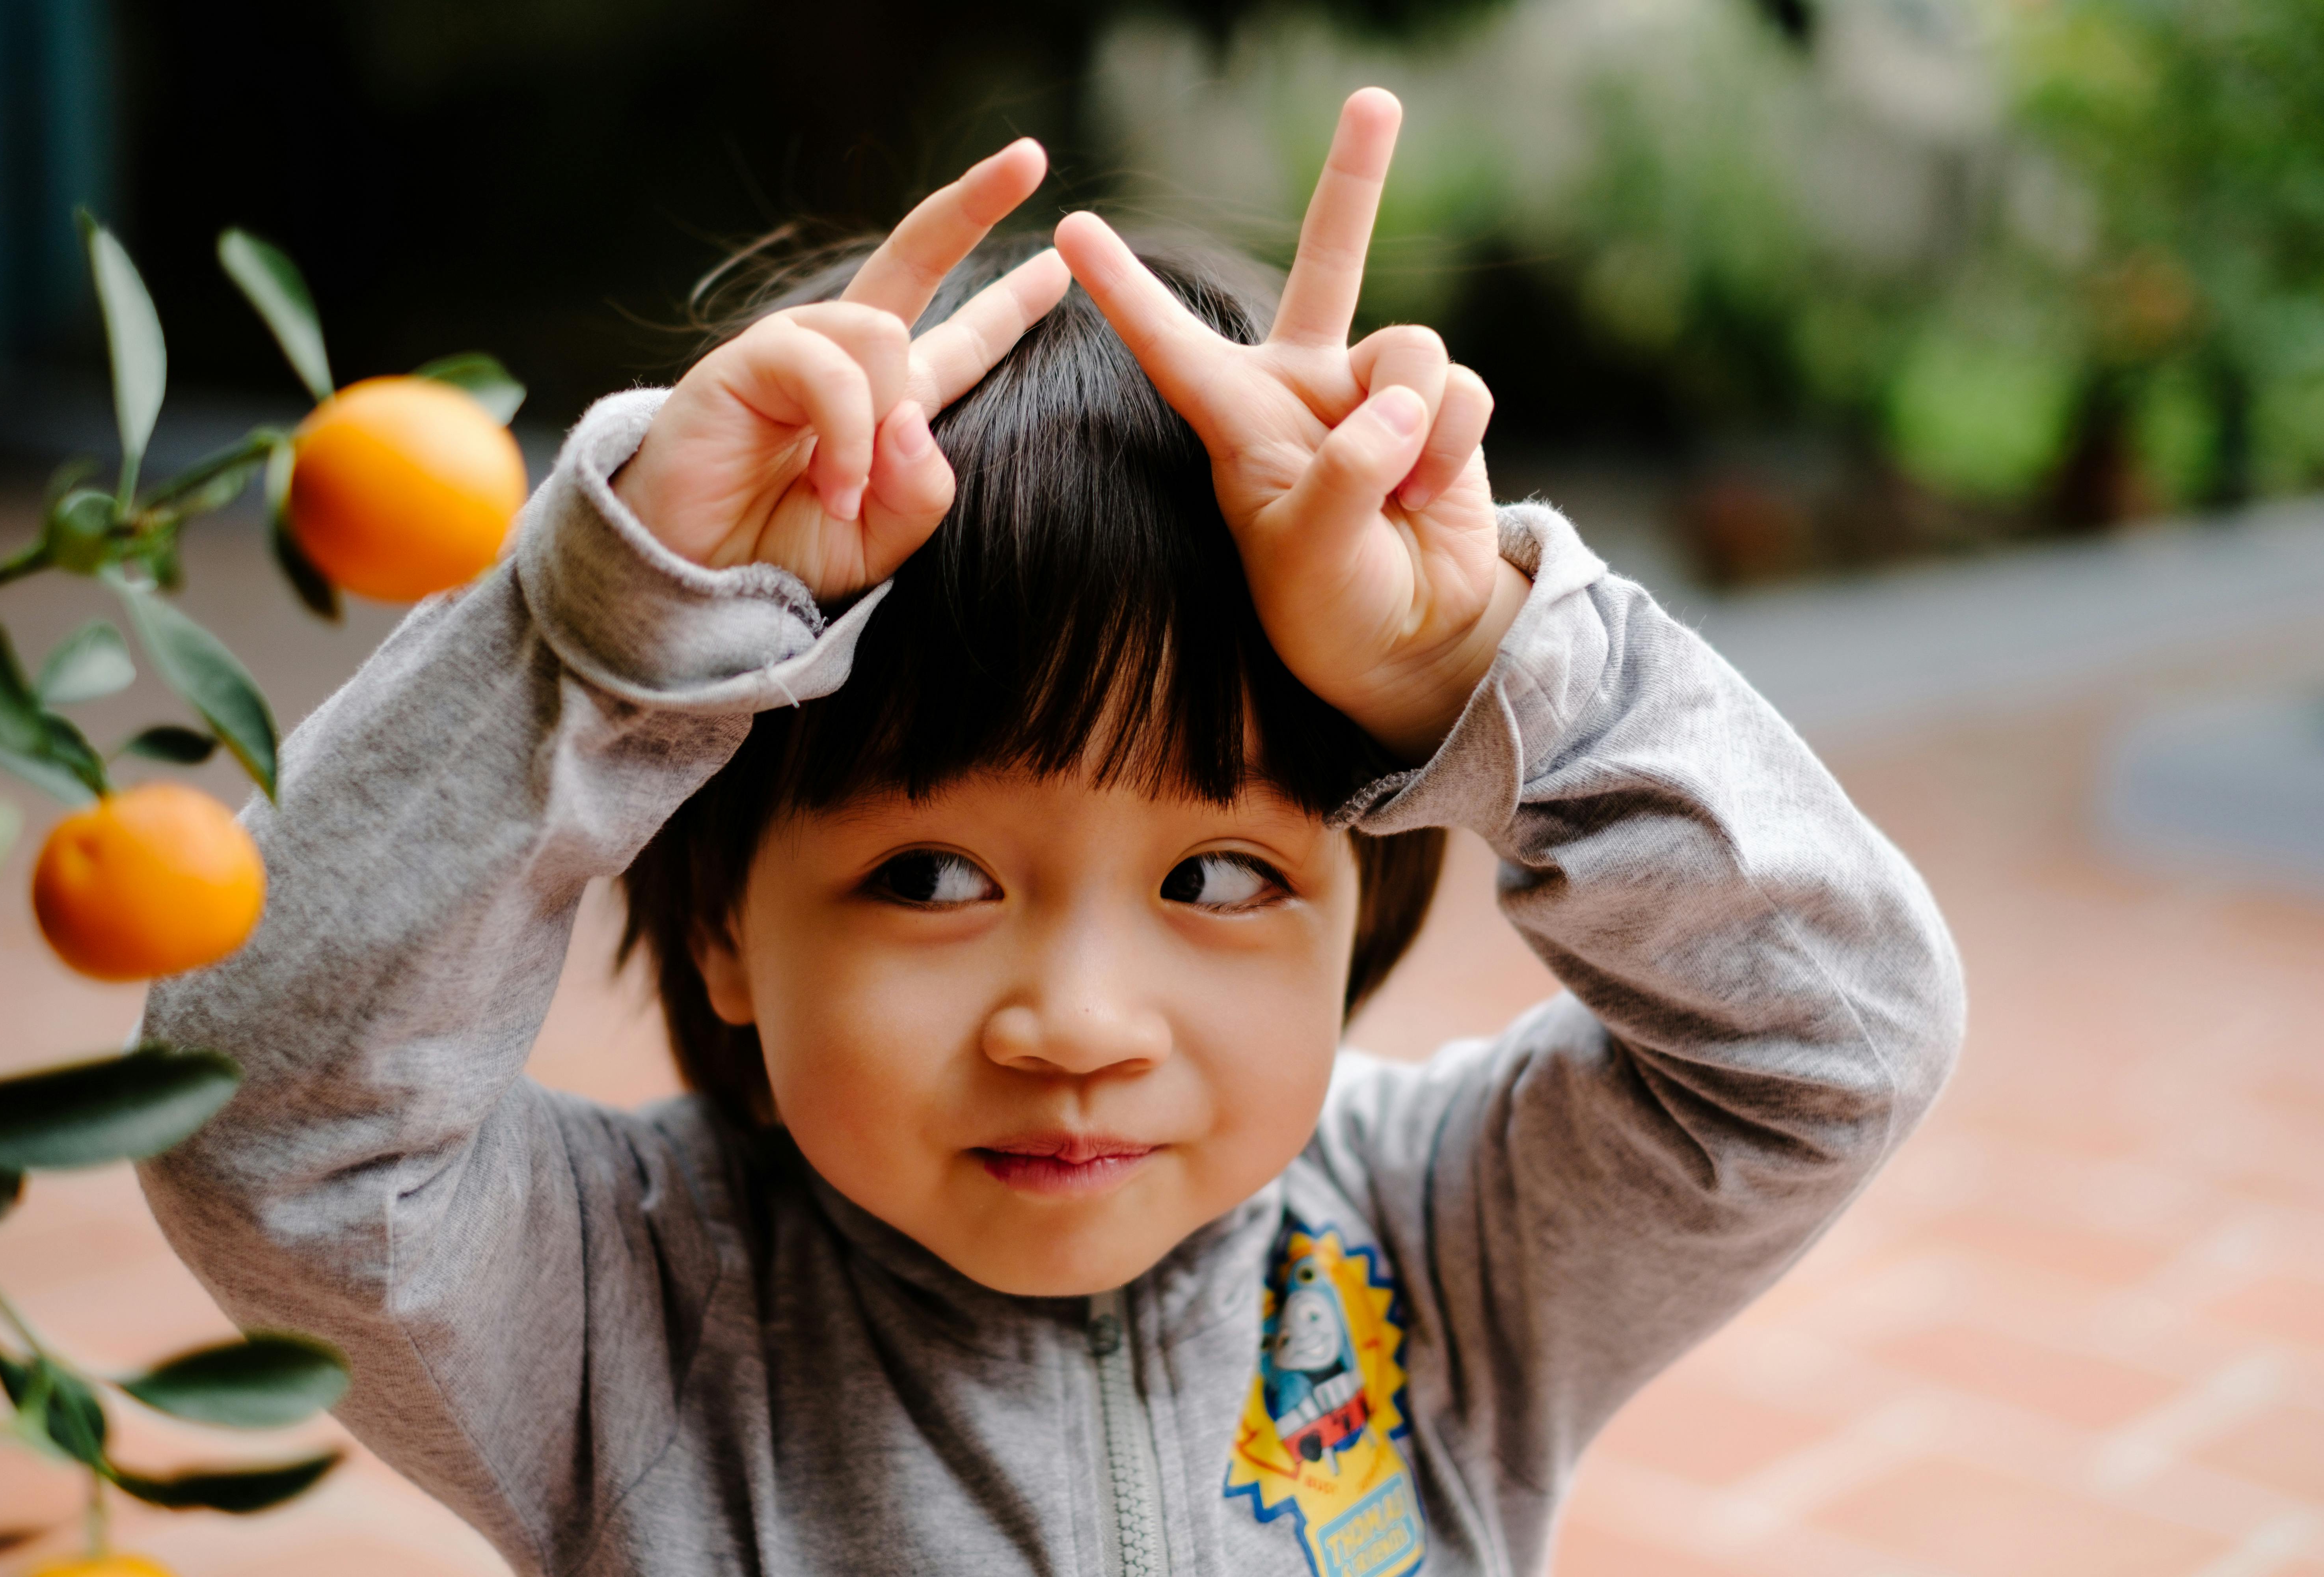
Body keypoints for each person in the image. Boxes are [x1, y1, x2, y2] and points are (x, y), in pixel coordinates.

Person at [139, 89, 1964, 1577]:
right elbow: (263, 1127)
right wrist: (619, 632)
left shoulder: (1442, 1248)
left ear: (1363, 878)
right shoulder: (633, 1316)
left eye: (1220, 874)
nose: (1079, 1022)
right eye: (931, 875)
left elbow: (1836, 1038)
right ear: (721, 923)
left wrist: (1486, 663)